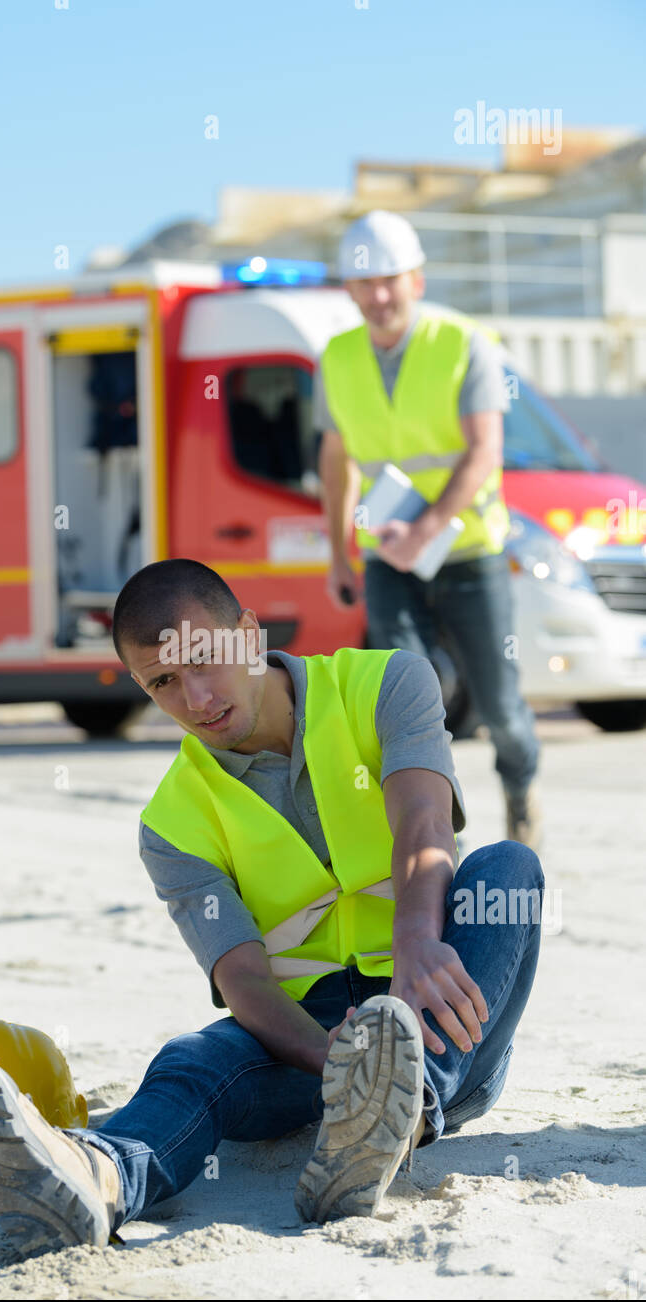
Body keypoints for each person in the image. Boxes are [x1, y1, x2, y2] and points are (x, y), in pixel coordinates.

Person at [0, 559, 544, 1259]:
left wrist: (417, 944)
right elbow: (244, 982)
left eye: (203, 660)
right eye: (162, 683)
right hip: (309, 1040)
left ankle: (407, 1107)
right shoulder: (170, 823)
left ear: (246, 632)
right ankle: (95, 1178)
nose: (197, 697)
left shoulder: (387, 683)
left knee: (505, 870)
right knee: (195, 1058)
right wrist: (331, 1060)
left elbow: (423, 825)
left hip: (442, 1017)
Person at [317, 209, 542, 848]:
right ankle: (434, 830)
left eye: (391, 279)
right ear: (350, 290)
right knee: (408, 698)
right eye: (366, 283)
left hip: (470, 550)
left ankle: (521, 789)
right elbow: (336, 461)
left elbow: (483, 451)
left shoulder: (465, 342)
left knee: (500, 708)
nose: (379, 295)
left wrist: (431, 527)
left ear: (416, 279)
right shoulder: (335, 359)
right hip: (388, 556)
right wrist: (338, 553)